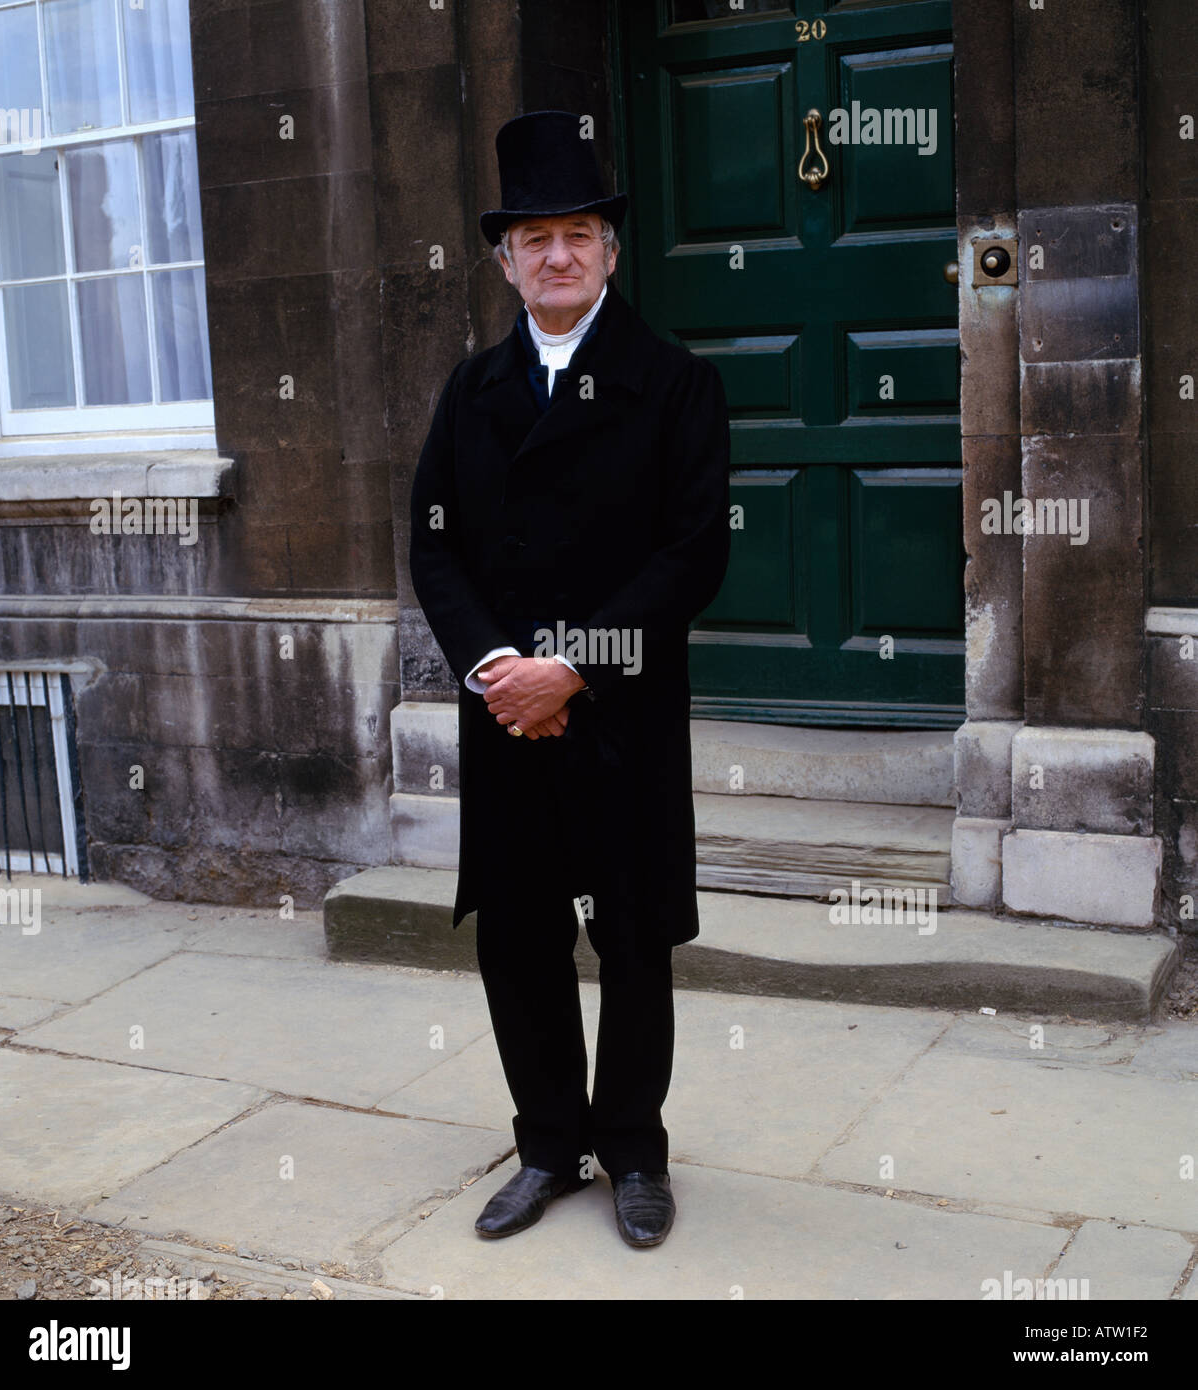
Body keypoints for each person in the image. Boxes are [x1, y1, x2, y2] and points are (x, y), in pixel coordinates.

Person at [408, 110, 731, 1248]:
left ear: (609, 249)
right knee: (522, 935)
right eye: (533, 237)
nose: (556, 255)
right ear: (503, 258)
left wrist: (571, 669)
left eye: (577, 234)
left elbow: (693, 553)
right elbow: (433, 542)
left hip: (620, 716)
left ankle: (632, 1151)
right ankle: (547, 1143)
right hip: (509, 718)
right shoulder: (472, 391)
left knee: (634, 936)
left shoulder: (677, 386)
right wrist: (500, 670)